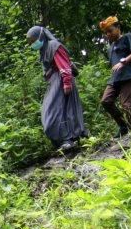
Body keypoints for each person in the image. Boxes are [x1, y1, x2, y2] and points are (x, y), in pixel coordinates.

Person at [26, 25, 87, 153]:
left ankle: (68, 140)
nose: (32, 44)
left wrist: (66, 82)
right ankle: (64, 142)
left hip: (61, 80)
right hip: (53, 82)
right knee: (52, 113)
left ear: (40, 36)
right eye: (30, 43)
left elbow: (64, 64)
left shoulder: (54, 45)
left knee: (56, 112)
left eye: (33, 40)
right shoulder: (43, 51)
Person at [98, 16, 131, 137]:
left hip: (127, 75)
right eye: (106, 32)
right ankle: (123, 125)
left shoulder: (127, 37)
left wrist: (124, 61)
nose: (108, 34)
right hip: (115, 79)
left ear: (118, 28)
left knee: (126, 105)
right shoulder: (110, 49)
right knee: (106, 101)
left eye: (110, 30)